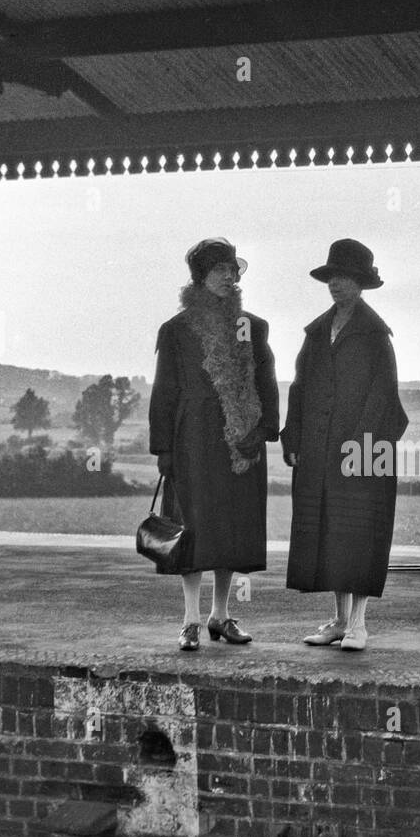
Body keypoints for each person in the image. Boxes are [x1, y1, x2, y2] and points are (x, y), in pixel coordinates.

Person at [149, 237, 279, 651]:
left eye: (233, 270)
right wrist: (164, 449)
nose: (229, 276)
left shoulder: (252, 327)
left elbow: (267, 383)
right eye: (220, 269)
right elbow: (164, 390)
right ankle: (189, 619)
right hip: (192, 441)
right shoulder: (176, 330)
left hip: (239, 443)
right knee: (192, 529)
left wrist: (262, 432)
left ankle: (220, 616)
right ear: (200, 277)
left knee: (230, 529)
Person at [281, 239, 408, 651]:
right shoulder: (316, 334)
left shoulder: (374, 335)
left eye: (345, 277)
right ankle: (337, 620)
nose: (336, 284)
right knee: (330, 533)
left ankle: (358, 624)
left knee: (359, 534)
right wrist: (292, 437)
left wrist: (363, 446)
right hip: (319, 450)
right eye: (332, 277)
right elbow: (299, 389)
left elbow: (384, 396)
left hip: (364, 452)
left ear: (361, 284)